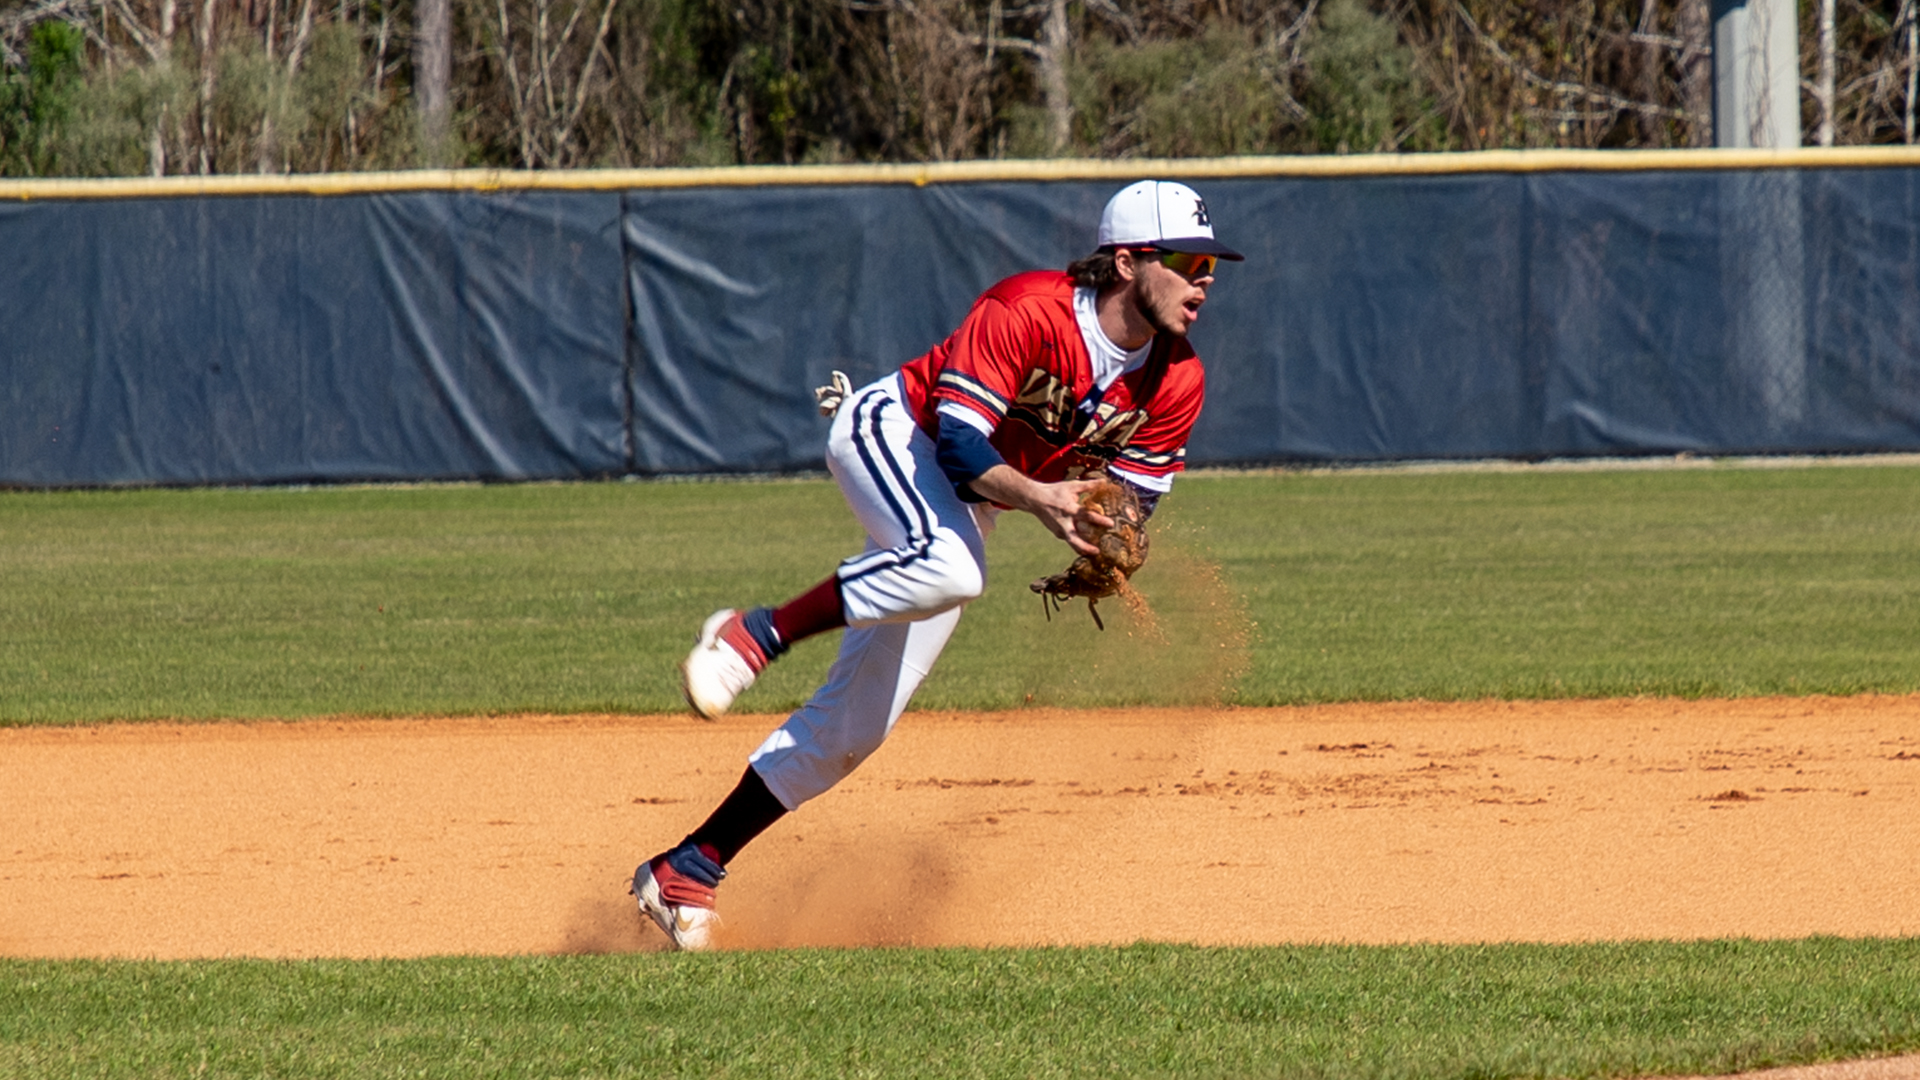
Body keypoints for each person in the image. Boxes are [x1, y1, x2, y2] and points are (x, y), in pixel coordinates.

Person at [631, 179, 1242, 950]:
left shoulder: (1177, 380)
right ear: (1127, 262)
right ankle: (757, 635)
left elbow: (1133, 500)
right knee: (953, 568)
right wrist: (1042, 500)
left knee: (854, 730)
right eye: (1189, 260)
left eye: (1213, 265)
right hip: (895, 433)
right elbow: (956, 443)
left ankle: (690, 866)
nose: (1206, 279)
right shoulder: (1030, 309)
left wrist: (1109, 535)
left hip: (963, 508)